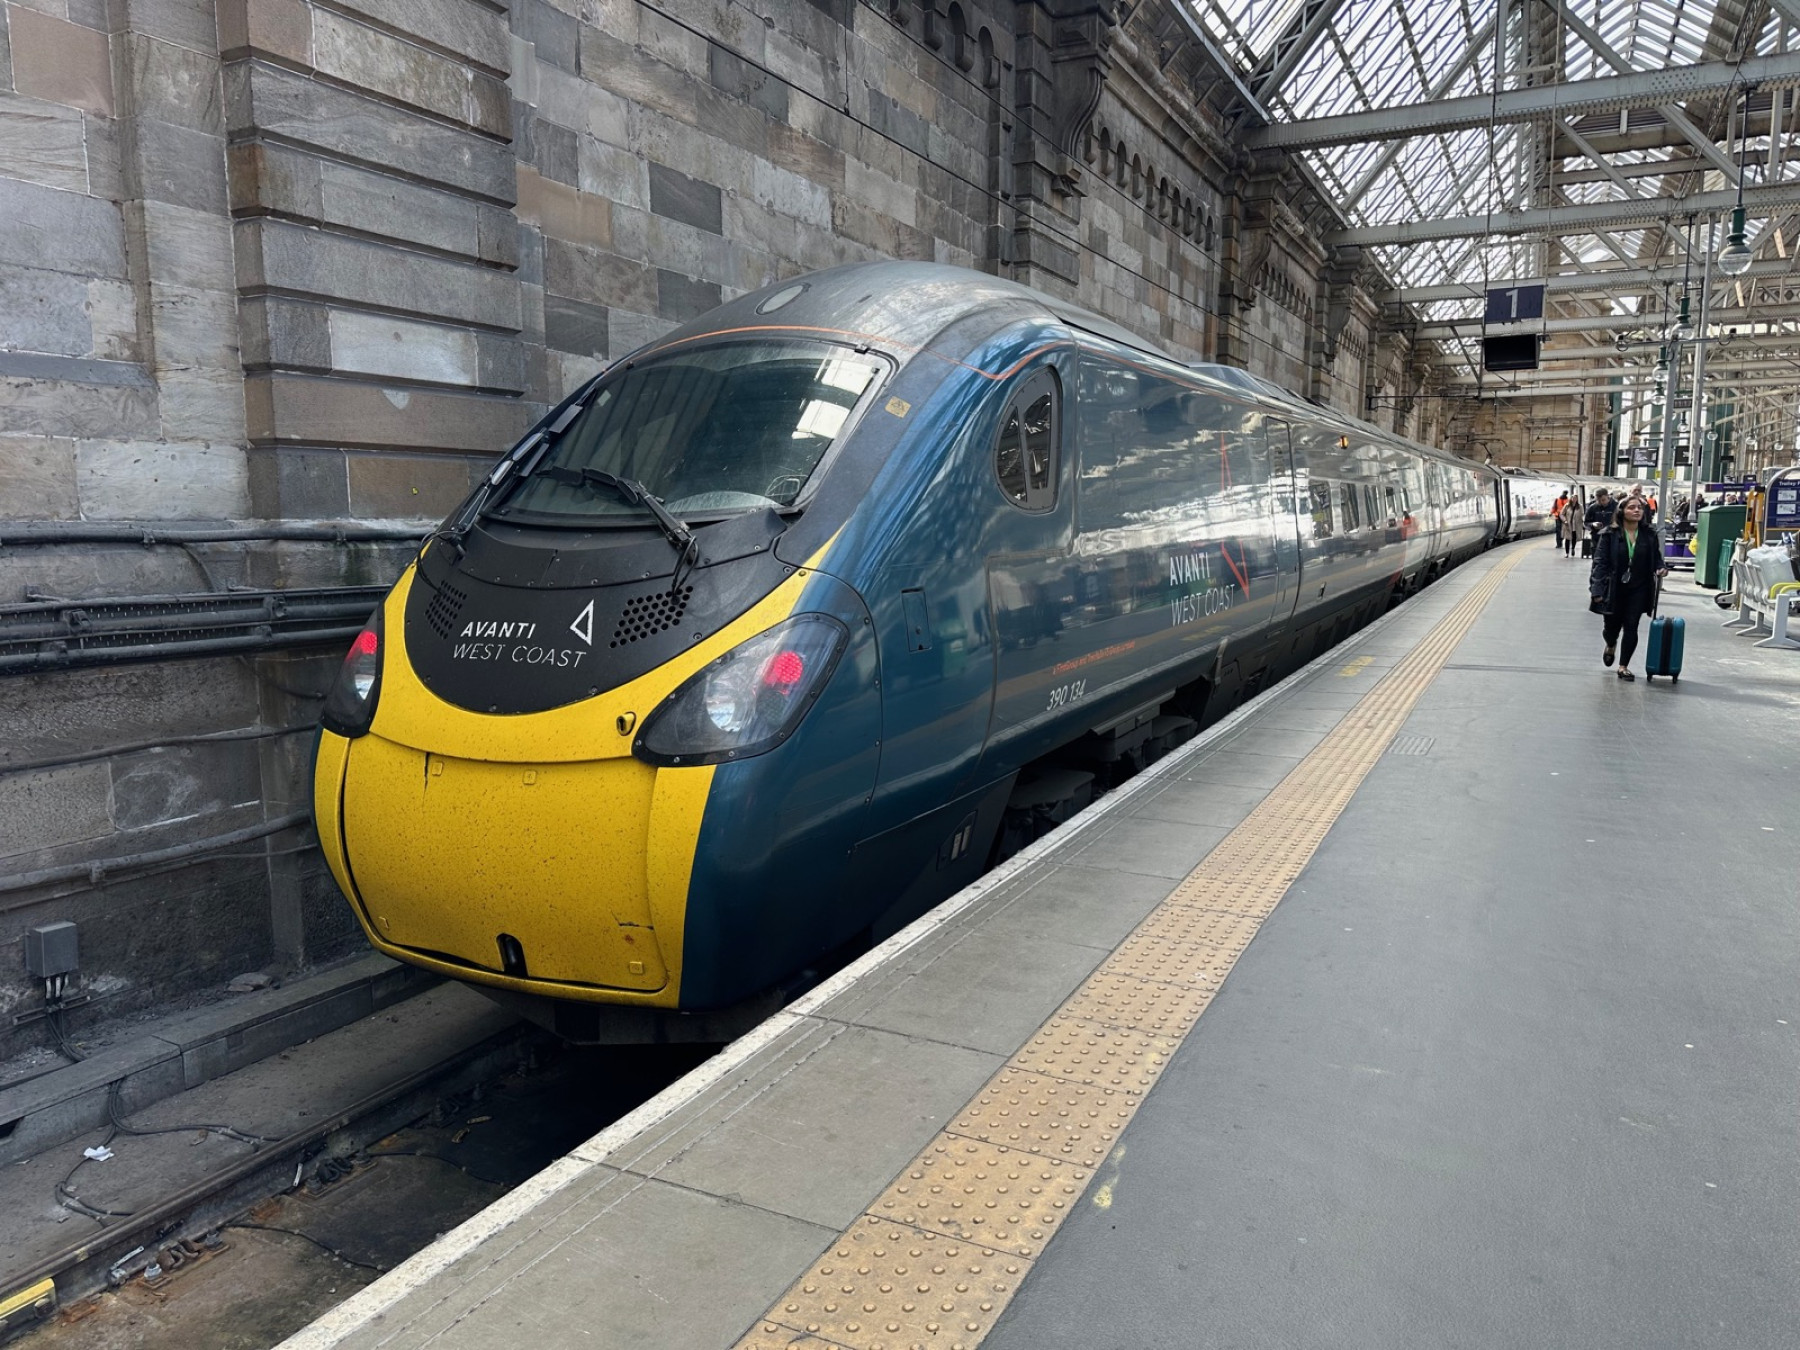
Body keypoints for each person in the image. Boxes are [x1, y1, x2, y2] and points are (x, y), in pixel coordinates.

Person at [1589, 495, 1670, 681]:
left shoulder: (1649, 534)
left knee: (1632, 626)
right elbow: (1600, 563)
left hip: (1639, 588)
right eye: (1631, 507)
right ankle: (1610, 644)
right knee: (1611, 627)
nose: (1636, 511)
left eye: (1639, 508)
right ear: (1622, 511)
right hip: (1614, 587)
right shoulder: (1609, 534)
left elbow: (1656, 557)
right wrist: (1596, 590)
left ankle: (1623, 666)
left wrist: (1660, 567)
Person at [1558, 492, 1583, 557]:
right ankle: (1567, 553)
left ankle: (1573, 548)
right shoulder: (1567, 505)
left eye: (1575, 498)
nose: (1574, 499)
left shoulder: (1580, 506)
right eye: (1573, 498)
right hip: (1568, 525)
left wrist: (1583, 521)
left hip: (1576, 525)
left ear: (1577, 499)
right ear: (1571, 498)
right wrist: (1564, 520)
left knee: (1574, 538)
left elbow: (1582, 515)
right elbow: (1561, 514)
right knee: (1567, 539)